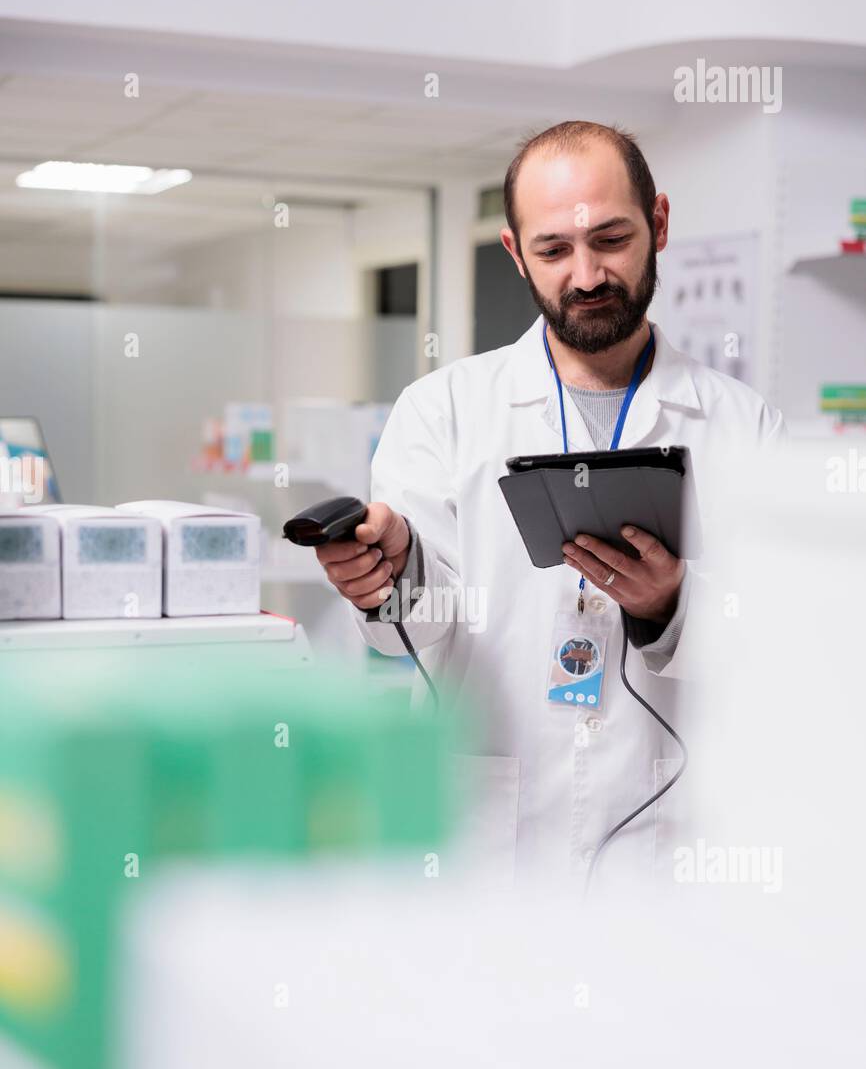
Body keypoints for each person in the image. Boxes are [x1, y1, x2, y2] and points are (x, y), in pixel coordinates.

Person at [316, 121, 783, 886]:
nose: (589, 274)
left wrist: (673, 606)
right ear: (514, 252)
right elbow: (414, 626)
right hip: (490, 838)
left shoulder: (741, 424)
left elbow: (778, 644)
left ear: (659, 224)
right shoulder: (445, 410)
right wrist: (391, 574)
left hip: (665, 839)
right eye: (555, 250)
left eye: (612, 238)